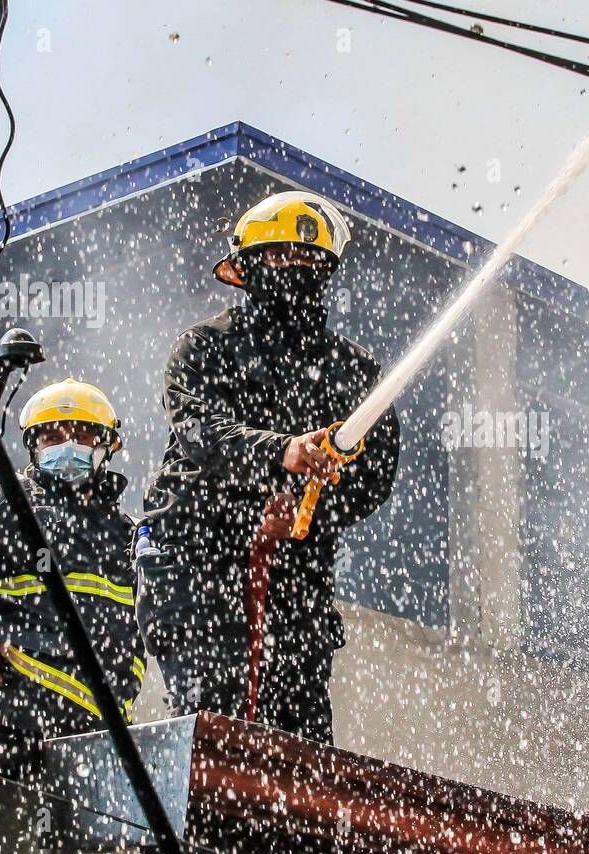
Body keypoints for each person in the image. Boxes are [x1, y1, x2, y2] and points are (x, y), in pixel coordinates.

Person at [137, 190, 400, 744]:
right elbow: (198, 431)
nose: (296, 271)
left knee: (300, 750)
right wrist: (282, 450)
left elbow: (375, 475)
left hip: (296, 584)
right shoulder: (203, 348)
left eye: (309, 262)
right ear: (246, 267)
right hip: (197, 565)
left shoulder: (352, 373)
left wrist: (313, 515)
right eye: (282, 258)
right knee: (214, 731)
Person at [0, 379, 145, 737]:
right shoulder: (4, 506)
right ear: (34, 446)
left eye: (81, 435)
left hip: (109, 716)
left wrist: (129, 678)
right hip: (29, 700)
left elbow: (143, 621)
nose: (67, 446)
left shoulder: (126, 531)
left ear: (107, 446)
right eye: (52, 438)